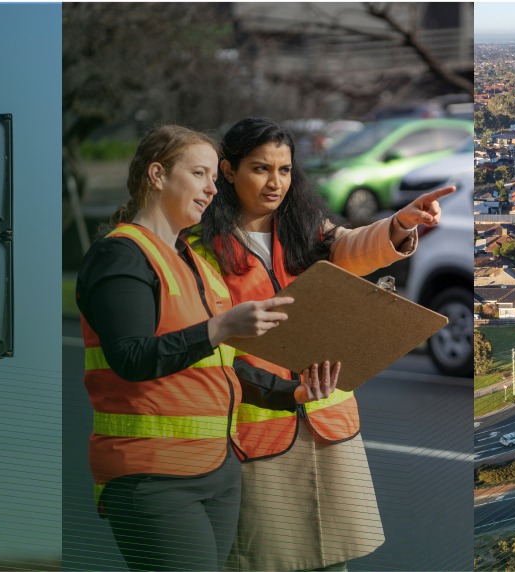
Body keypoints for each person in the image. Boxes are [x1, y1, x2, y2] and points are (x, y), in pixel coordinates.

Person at [187, 117, 454, 572]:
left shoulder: (305, 227)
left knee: (334, 561)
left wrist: (400, 224)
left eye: (285, 170)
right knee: (264, 562)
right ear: (227, 171)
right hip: (257, 431)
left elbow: (352, 247)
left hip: (327, 423)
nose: (276, 183)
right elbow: (210, 346)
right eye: (260, 169)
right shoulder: (200, 246)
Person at [76, 124, 342, 572]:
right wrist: (220, 327)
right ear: (157, 175)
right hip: (152, 473)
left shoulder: (193, 259)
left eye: (212, 179)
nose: (212, 188)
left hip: (217, 469)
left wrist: (289, 394)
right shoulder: (121, 255)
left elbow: (219, 366)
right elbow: (132, 359)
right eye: (200, 174)